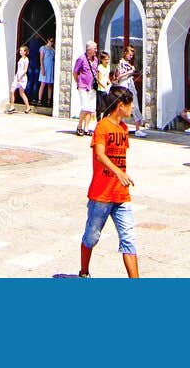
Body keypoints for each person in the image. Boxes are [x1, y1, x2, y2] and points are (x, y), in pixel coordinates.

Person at [81, 85, 139, 278]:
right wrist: (117, 172)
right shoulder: (102, 127)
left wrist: (123, 174)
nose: (132, 109)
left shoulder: (123, 129)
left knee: (129, 239)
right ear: (121, 105)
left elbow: (119, 157)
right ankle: (84, 272)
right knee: (92, 236)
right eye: (130, 105)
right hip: (101, 195)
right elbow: (99, 155)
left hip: (121, 195)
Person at [114, 45, 146, 137]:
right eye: (130, 54)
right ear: (125, 53)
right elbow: (118, 77)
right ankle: (119, 127)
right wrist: (130, 71)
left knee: (135, 107)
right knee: (122, 107)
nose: (131, 57)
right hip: (124, 87)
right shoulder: (120, 64)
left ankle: (137, 129)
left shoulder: (128, 64)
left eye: (132, 55)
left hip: (130, 87)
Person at [72, 42, 99, 135]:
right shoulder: (81, 59)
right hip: (83, 86)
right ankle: (79, 126)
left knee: (91, 109)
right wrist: (79, 82)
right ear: (89, 50)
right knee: (85, 107)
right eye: (95, 48)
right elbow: (75, 72)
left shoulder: (95, 60)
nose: (96, 50)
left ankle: (86, 129)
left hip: (92, 87)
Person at [8, 45, 32, 114]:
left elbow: (25, 70)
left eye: (22, 50)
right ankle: (12, 106)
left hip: (22, 77)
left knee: (21, 93)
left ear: (25, 52)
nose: (20, 52)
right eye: (20, 50)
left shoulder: (26, 59)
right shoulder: (21, 59)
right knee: (12, 90)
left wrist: (20, 77)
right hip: (17, 76)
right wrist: (17, 76)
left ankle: (28, 107)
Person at [39, 37, 56, 110]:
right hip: (45, 66)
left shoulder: (53, 50)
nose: (51, 43)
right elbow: (41, 59)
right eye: (51, 41)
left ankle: (49, 100)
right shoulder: (43, 48)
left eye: (53, 41)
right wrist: (42, 68)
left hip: (51, 67)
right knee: (43, 84)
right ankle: (39, 99)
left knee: (50, 85)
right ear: (48, 40)